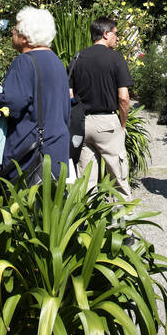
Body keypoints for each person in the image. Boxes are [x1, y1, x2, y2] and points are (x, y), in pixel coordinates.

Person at [0, 7, 71, 187]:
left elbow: (12, 106)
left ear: (26, 37)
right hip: (56, 151)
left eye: (16, 29)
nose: (12, 31)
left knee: (20, 210)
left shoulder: (24, 62)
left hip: (29, 155)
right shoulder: (57, 62)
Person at [68, 17, 135, 201]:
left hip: (82, 124)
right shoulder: (116, 58)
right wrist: (122, 123)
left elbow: (70, 95)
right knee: (119, 180)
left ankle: (89, 227)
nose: (118, 38)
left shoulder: (78, 57)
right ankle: (123, 226)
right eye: (116, 33)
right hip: (107, 123)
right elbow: (123, 97)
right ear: (106, 34)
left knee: (86, 183)